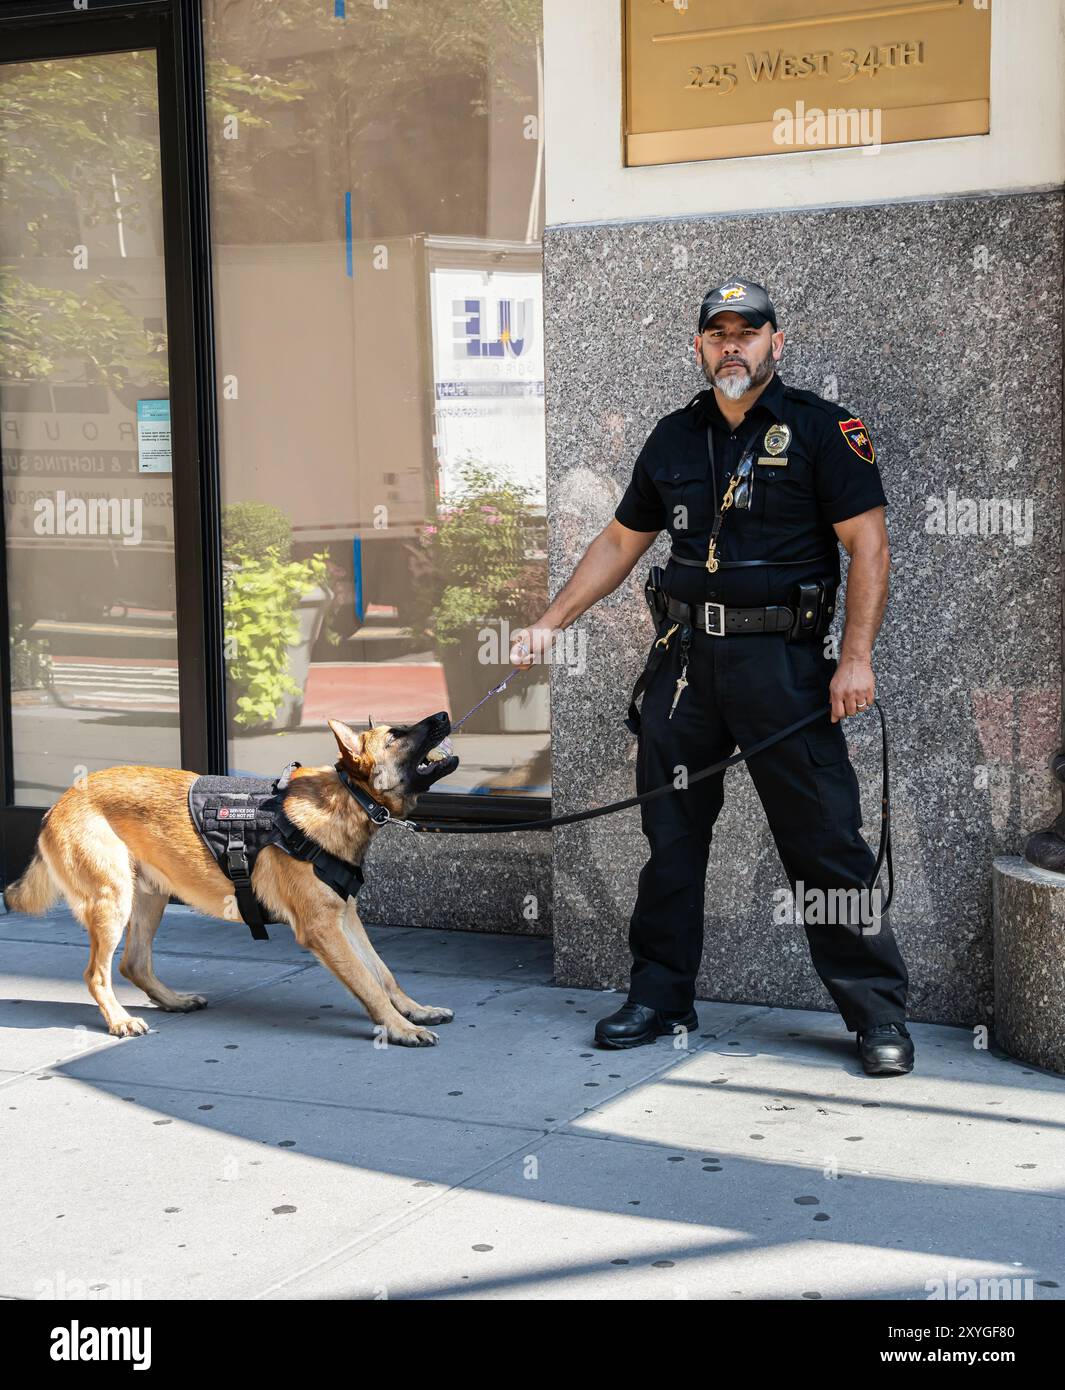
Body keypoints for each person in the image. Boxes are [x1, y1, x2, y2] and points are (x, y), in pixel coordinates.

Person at [510, 278, 912, 1077]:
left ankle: (874, 1013)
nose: (733, 344)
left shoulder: (823, 431)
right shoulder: (671, 438)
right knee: (668, 842)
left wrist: (856, 658)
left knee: (825, 844)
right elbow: (621, 543)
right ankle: (659, 997)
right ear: (698, 346)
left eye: (748, 331)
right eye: (717, 332)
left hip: (786, 672)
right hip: (686, 669)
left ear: (776, 342)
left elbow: (866, 547)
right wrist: (550, 623)